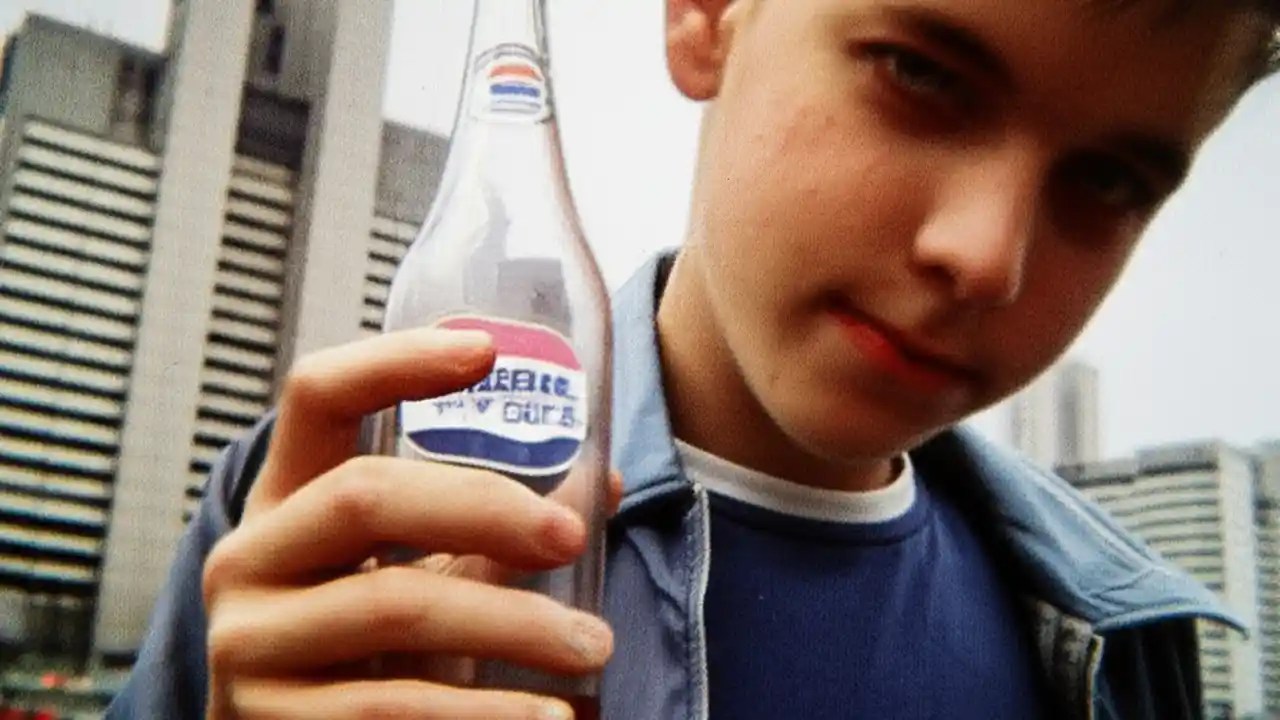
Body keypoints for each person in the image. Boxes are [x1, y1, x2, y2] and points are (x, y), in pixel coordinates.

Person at [107, 0, 1277, 718]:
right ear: (708, 11)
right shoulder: (317, 529)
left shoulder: (1128, 640)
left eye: (1111, 182)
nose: (983, 256)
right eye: (921, 73)